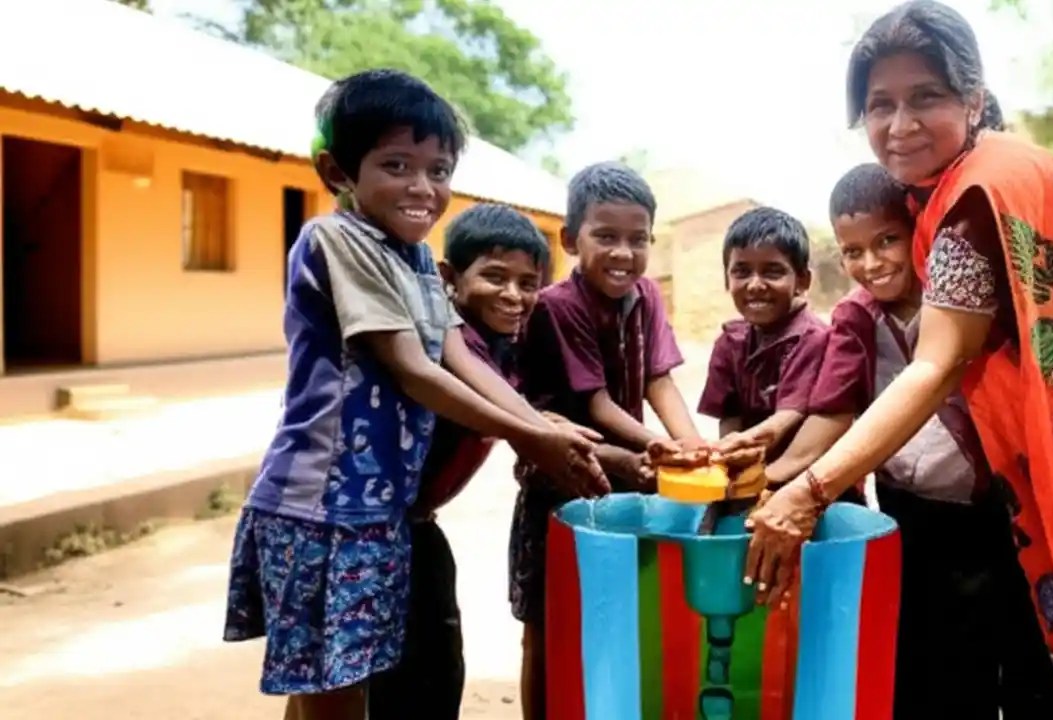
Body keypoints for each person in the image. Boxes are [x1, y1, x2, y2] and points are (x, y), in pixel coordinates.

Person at [742, 2, 1053, 718]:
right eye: (880, 105)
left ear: (972, 98)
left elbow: (935, 368)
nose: (899, 125)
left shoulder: (972, 203)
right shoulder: (956, 183)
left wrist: (808, 493)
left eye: (925, 97)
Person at [222, 69, 603, 720]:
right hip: (323, 508)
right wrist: (533, 434)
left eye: (438, 169)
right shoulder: (337, 239)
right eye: (397, 164)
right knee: (331, 693)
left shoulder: (418, 259)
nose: (422, 188)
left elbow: (457, 356)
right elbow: (412, 369)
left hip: (378, 511)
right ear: (337, 169)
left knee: (337, 681)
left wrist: (541, 425)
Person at [767, 163, 1053, 718]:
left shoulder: (960, 299)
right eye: (852, 251)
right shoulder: (856, 317)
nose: (871, 263)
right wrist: (774, 477)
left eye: (887, 241)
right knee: (935, 661)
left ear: (917, 232)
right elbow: (831, 412)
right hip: (914, 511)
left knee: (1022, 651)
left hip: (997, 511)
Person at [513, 161, 705, 719]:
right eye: (606, 237)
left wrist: (692, 441)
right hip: (556, 484)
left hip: (622, 485)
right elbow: (595, 402)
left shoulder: (645, 295)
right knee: (546, 628)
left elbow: (658, 379)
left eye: (637, 239)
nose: (624, 253)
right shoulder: (558, 305)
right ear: (571, 239)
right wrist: (662, 447)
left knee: (617, 616)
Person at [365, 203, 553, 720]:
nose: (513, 296)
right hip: (378, 529)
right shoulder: (447, 345)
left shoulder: (507, 346)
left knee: (436, 670)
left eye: (527, 282)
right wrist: (547, 440)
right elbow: (498, 415)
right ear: (448, 278)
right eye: (495, 277)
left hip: (420, 527)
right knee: (373, 681)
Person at [698, 207, 828, 462]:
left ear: (802, 281)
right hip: (751, 474)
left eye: (772, 271)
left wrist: (739, 451)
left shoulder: (814, 338)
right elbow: (730, 417)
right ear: (727, 280)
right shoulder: (729, 342)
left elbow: (788, 416)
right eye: (742, 272)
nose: (755, 285)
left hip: (809, 478)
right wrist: (729, 461)